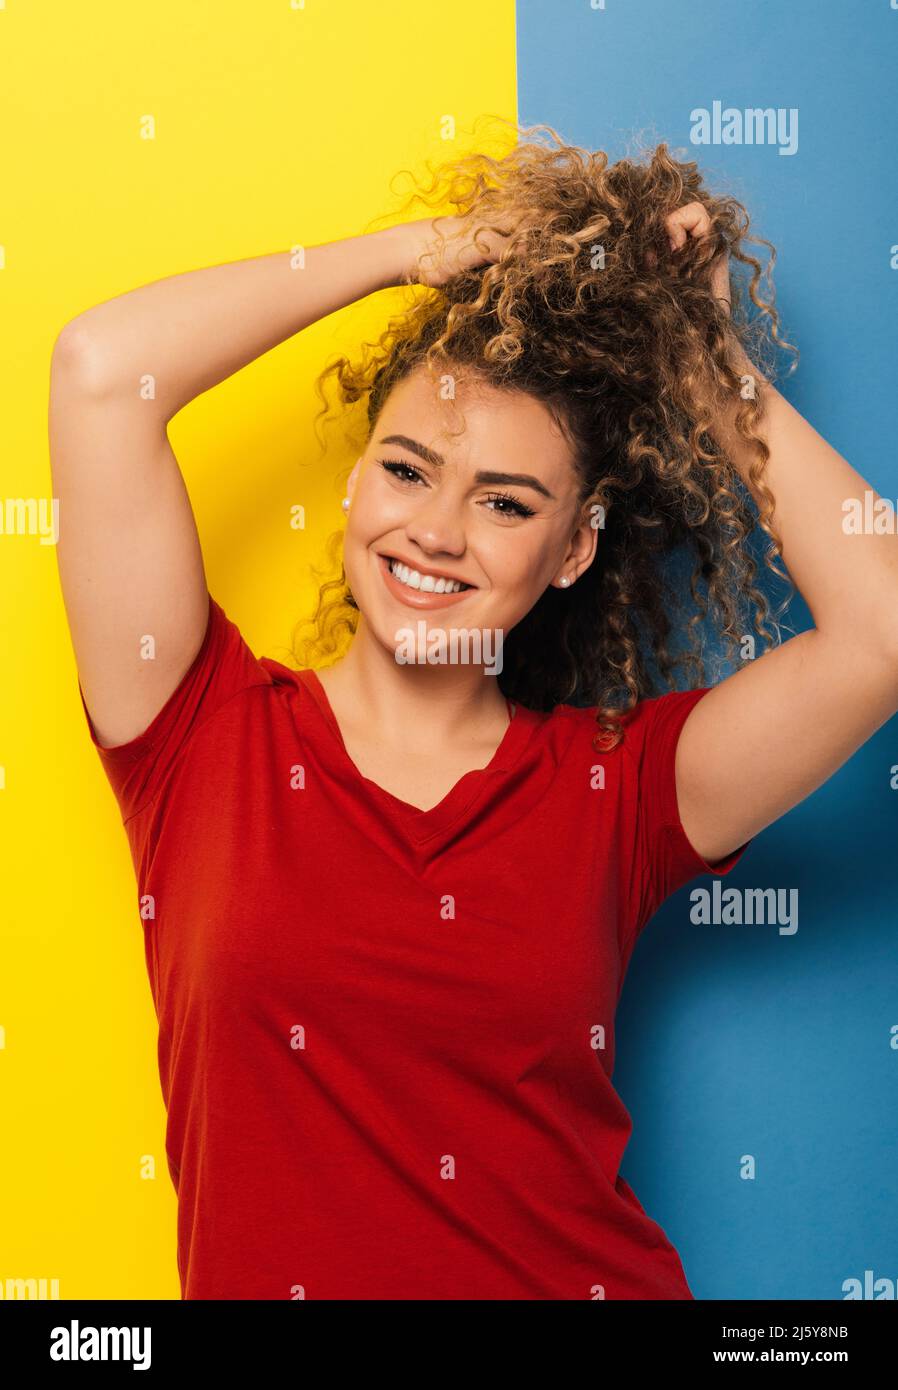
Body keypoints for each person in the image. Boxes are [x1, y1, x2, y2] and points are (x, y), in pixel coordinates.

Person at [49, 127, 898, 1300]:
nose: (437, 531)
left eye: (504, 501)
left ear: (570, 550)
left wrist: (696, 357)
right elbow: (99, 372)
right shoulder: (198, 736)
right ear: (354, 487)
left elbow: (882, 627)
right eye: (405, 470)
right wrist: (414, 253)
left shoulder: (622, 792)